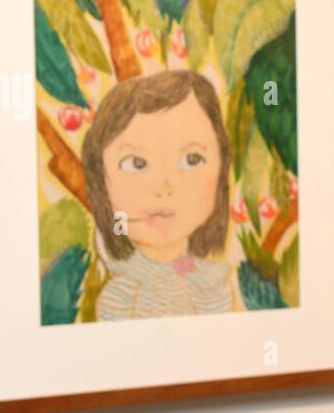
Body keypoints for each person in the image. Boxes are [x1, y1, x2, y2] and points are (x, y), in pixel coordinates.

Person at [81, 69, 235, 320]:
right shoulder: (123, 291)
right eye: (136, 164)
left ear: (222, 167)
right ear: (100, 178)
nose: (163, 187)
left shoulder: (210, 284)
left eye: (192, 159)